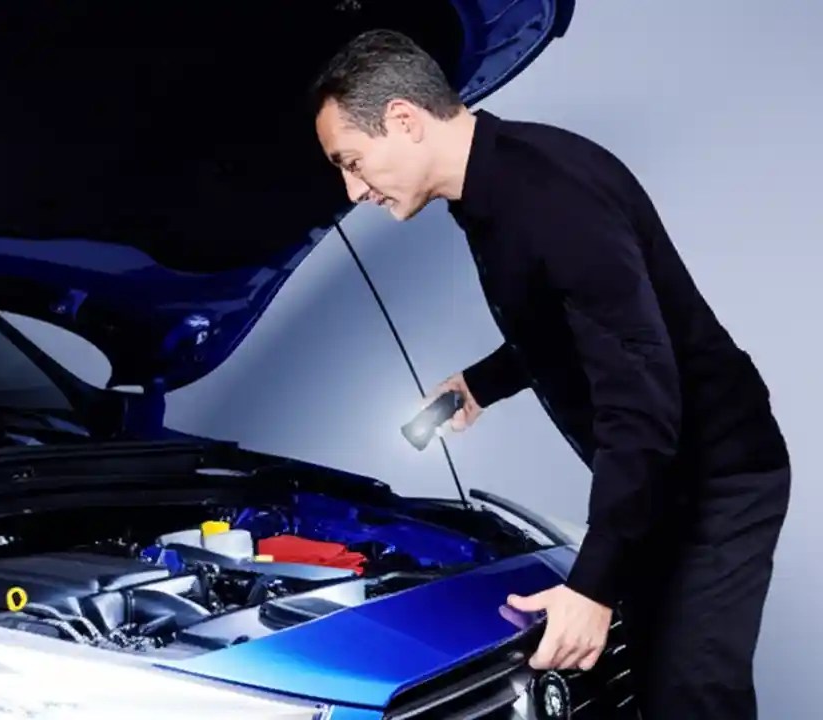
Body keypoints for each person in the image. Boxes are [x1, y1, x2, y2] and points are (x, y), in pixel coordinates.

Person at [310, 29, 791, 719]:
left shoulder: (549, 200)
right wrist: (480, 384)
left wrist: (592, 588)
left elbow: (641, 400)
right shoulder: (503, 181)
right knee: (653, 687)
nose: (354, 189)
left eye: (353, 161)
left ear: (404, 122)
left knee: (691, 697)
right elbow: (570, 325)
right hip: (661, 475)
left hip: (716, 476)